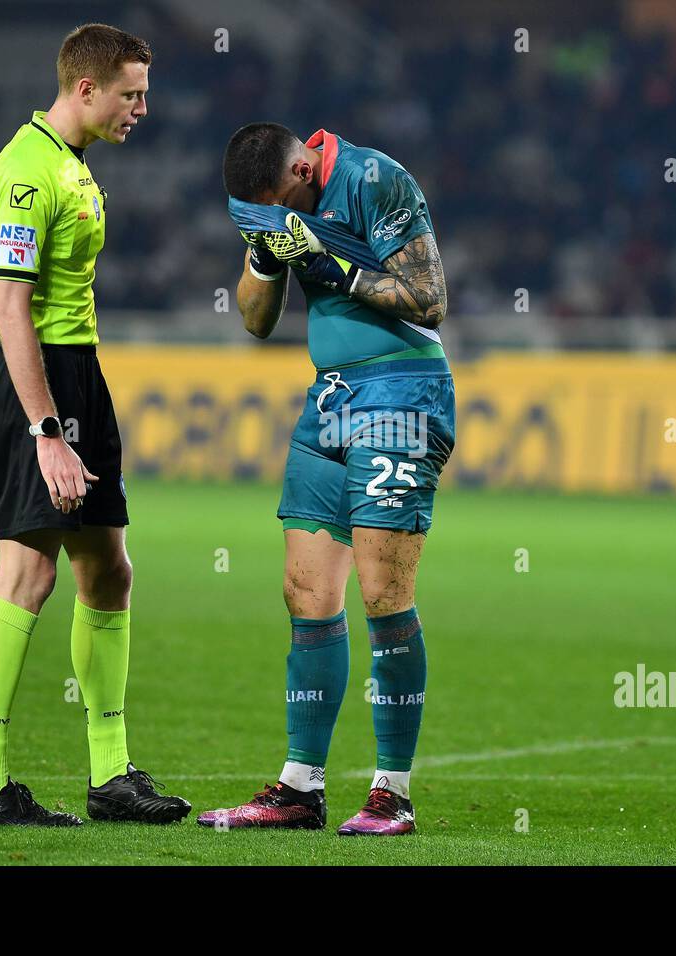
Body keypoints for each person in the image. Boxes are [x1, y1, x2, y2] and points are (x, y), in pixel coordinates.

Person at [0, 23, 190, 827]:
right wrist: (47, 429)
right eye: (131, 94)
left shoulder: (72, 166)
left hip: (77, 376)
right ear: (85, 89)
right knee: (29, 573)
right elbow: (11, 310)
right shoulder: (26, 176)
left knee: (109, 571)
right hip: (38, 384)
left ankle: (110, 776)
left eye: (145, 94)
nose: (142, 108)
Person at [198, 123, 454, 835]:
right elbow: (255, 321)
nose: (283, 218)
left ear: (305, 170)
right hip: (330, 400)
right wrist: (264, 249)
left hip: (402, 396)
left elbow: (431, 299)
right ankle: (300, 787)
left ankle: (392, 793)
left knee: (382, 591)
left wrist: (334, 266)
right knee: (307, 592)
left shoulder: (376, 180)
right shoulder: (278, 208)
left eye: (283, 206)